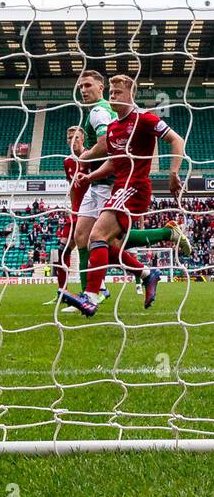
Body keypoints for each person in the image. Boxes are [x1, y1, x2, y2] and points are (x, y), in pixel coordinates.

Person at [60, 75, 187, 316]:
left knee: (98, 235)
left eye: (118, 92)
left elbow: (176, 139)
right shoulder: (114, 128)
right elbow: (113, 163)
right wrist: (90, 177)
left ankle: (91, 297)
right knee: (94, 238)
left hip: (135, 188)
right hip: (118, 188)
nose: (113, 96)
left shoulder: (144, 118)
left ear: (130, 95)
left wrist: (173, 171)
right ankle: (147, 274)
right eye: (112, 92)